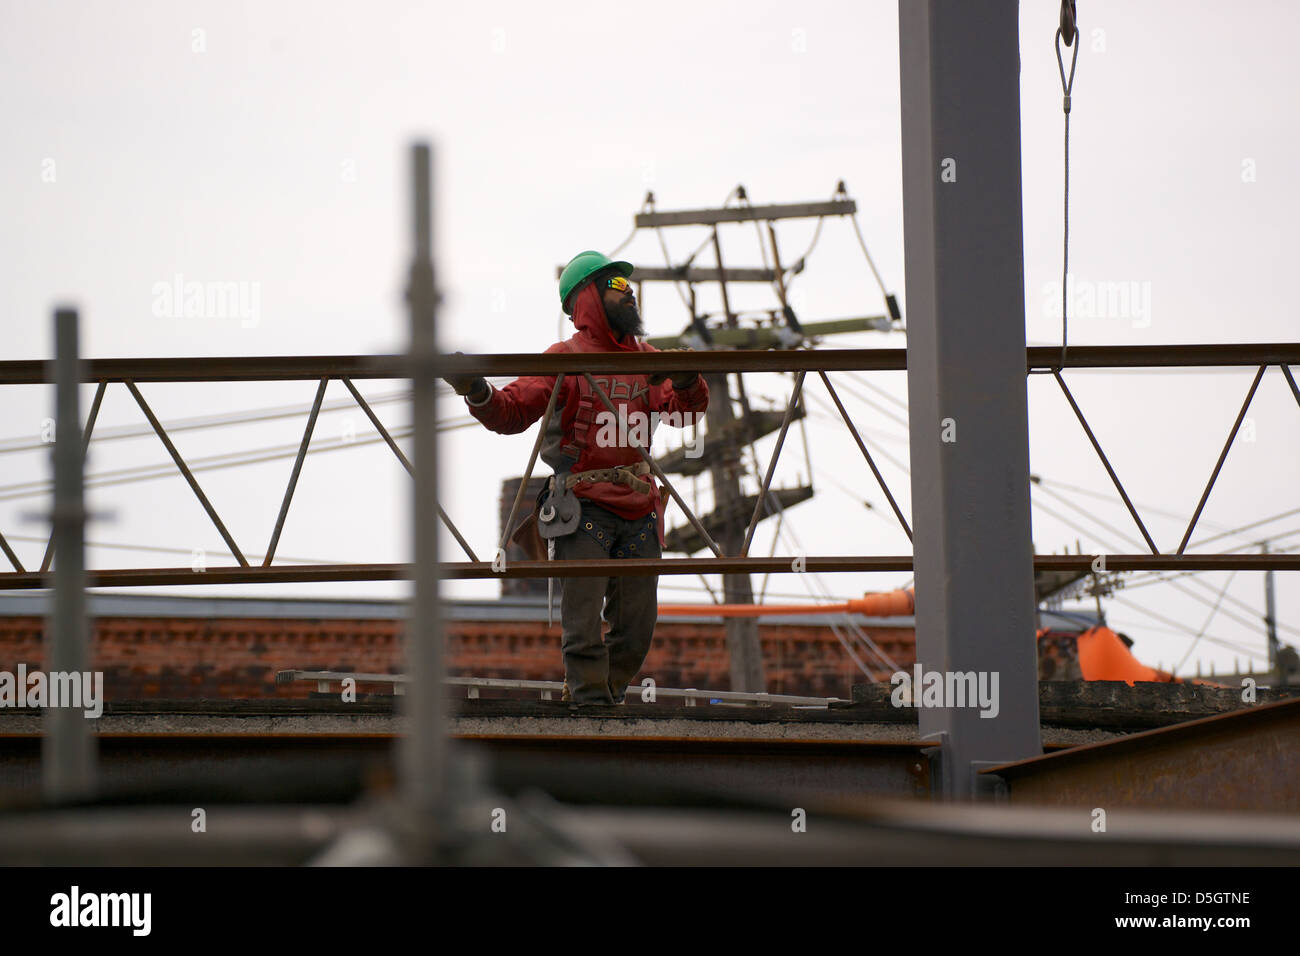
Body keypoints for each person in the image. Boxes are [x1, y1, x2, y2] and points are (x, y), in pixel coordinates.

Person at [443, 250, 709, 706]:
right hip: (582, 506)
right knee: (582, 622)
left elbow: (685, 415)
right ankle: (590, 708)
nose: (629, 295)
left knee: (637, 627)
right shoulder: (564, 359)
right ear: (587, 298)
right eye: (616, 287)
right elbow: (511, 411)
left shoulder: (649, 360)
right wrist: (477, 389)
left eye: (629, 287)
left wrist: (688, 382)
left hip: (640, 507)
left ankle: (600, 696)